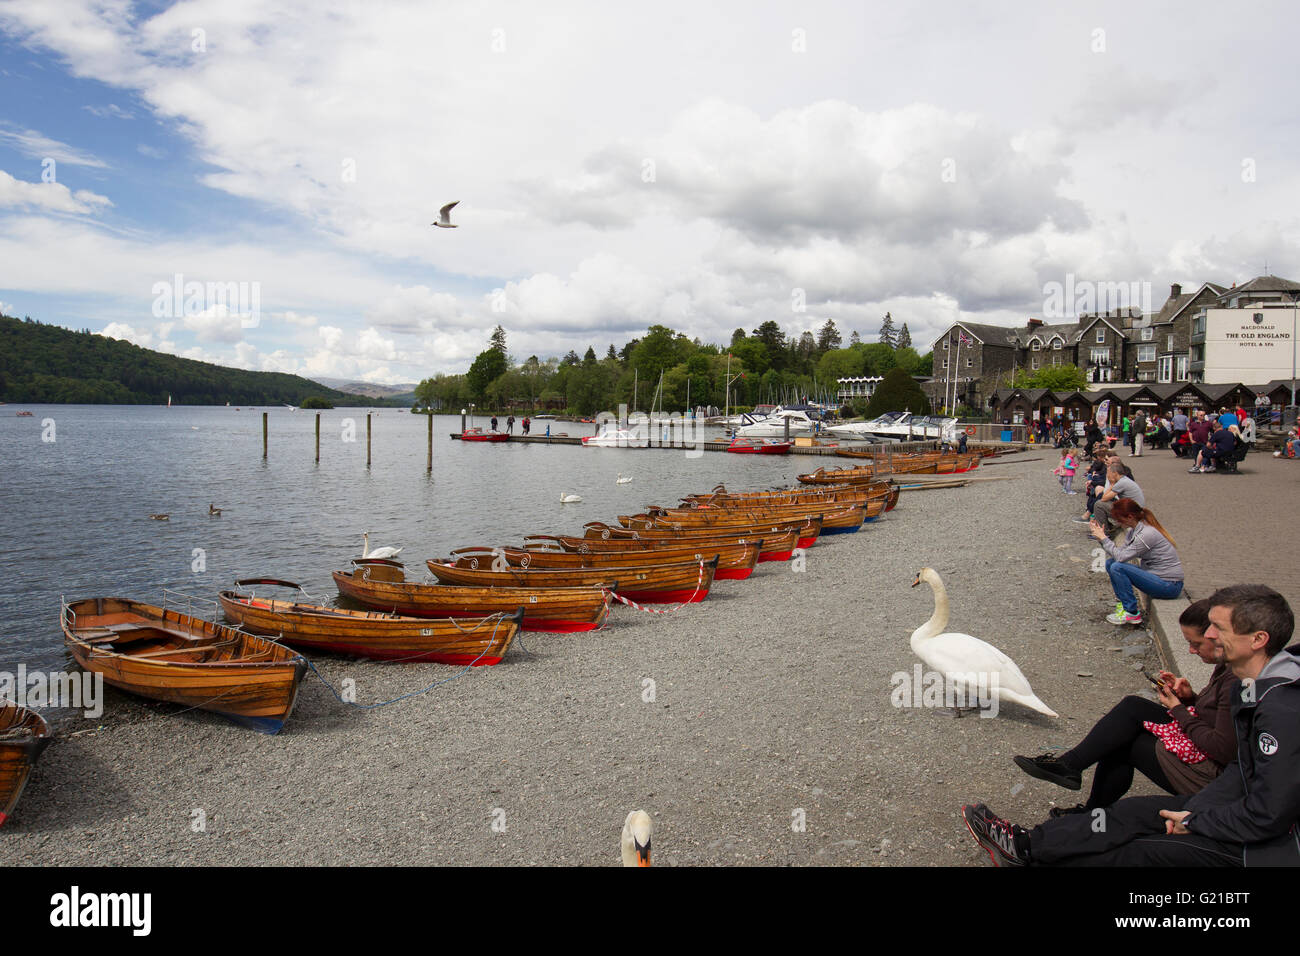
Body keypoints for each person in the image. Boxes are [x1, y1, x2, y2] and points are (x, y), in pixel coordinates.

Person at [961, 584, 1300, 866]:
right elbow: (1241, 772)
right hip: (1237, 807)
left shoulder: (1280, 710)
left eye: (1218, 629)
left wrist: (1197, 820)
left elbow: (1269, 814)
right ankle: (1026, 845)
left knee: (1137, 852)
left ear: (1258, 639)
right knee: (1129, 812)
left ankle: (1038, 854)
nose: (1209, 635)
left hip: (1268, 849)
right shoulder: (1251, 685)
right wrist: (1197, 809)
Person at [1013, 600, 1236, 813]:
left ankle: (1081, 794)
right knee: (1130, 711)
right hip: (1204, 753)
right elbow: (1218, 717)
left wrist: (1178, 708)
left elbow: (1221, 747)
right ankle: (1074, 777)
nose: (1191, 651)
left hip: (1211, 777)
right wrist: (1189, 699)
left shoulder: (1236, 682)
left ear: (1218, 636)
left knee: (1122, 742)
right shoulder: (1228, 666)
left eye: (1196, 644)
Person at [1088, 498, 1182, 625]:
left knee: (1117, 567)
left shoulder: (1146, 534)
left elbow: (1121, 558)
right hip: (1157, 577)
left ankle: (1131, 612)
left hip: (1169, 585)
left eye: (1119, 519)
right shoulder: (1134, 530)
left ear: (1130, 516)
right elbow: (1118, 553)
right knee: (1111, 563)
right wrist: (1101, 537)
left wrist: (1104, 538)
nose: (1117, 522)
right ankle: (1123, 603)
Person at [1086, 460, 1144, 532]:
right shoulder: (1125, 480)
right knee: (1104, 502)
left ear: (1115, 473)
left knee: (1099, 504)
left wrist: (1112, 484)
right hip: (1136, 509)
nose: (1107, 475)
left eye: (1109, 473)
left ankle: (1104, 532)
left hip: (1132, 513)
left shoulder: (1121, 483)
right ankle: (1108, 527)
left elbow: (1104, 498)